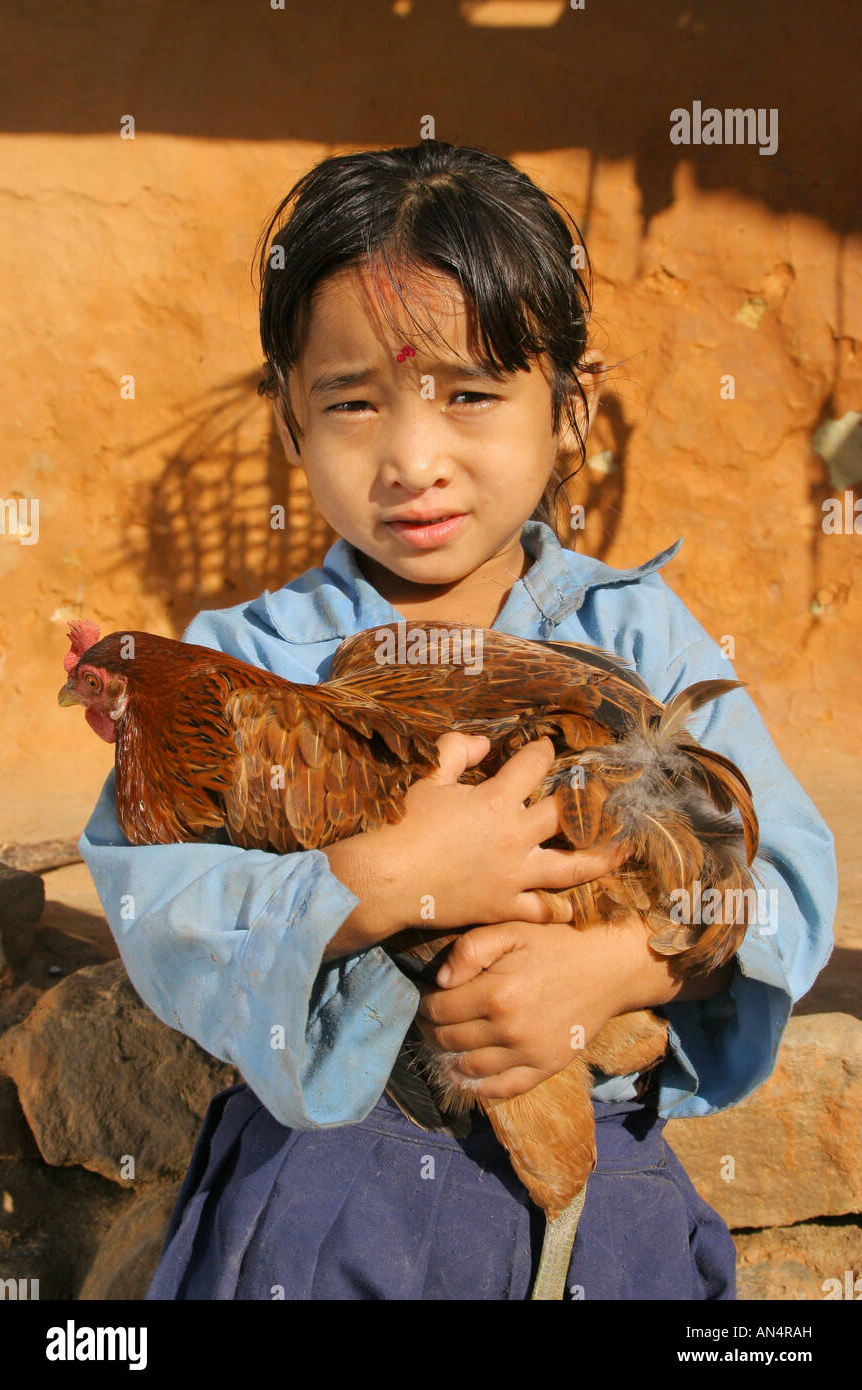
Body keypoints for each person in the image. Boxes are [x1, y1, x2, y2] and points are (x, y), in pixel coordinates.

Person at [79, 140, 837, 1300]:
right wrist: (377, 879)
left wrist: (615, 967)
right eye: (351, 403)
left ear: (567, 408)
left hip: (589, 1213)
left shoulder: (636, 634)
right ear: (290, 421)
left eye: (470, 395)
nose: (411, 459)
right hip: (319, 1207)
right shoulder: (243, 659)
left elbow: (781, 883)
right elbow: (164, 911)